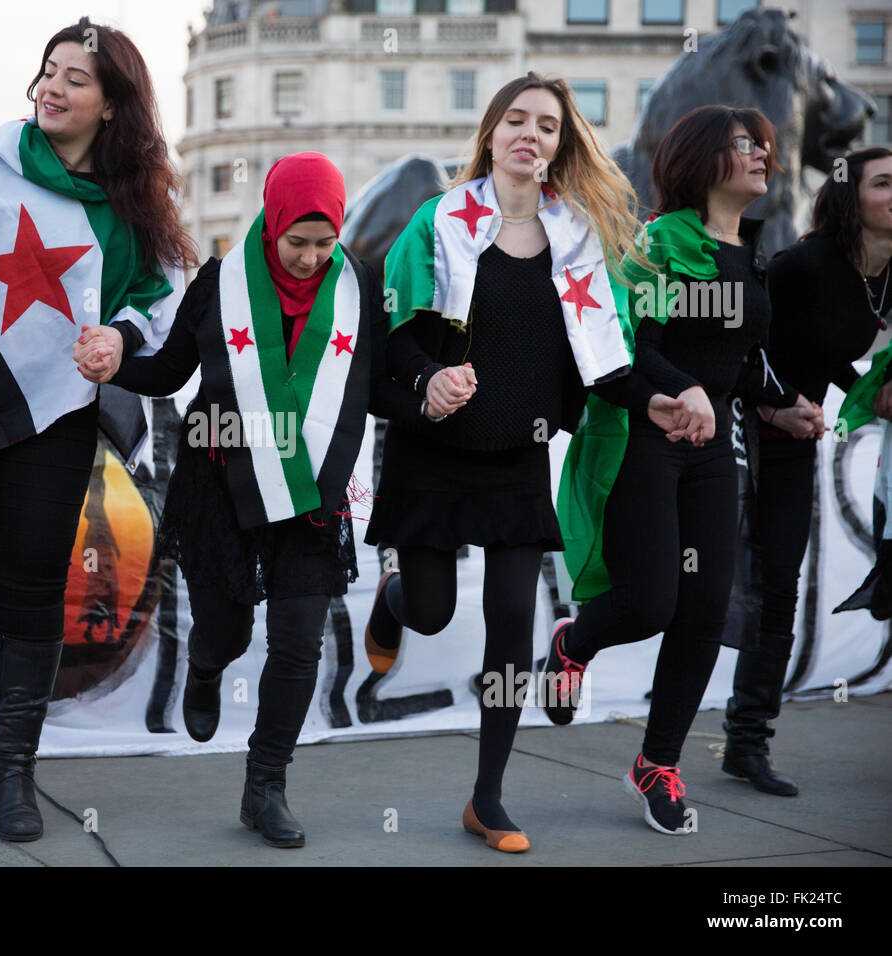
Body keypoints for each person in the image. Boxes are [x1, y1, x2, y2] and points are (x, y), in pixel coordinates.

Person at [0, 18, 193, 843]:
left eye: (75, 78)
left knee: (31, 582)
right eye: (48, 70)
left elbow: (157, 294)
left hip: (55, 411)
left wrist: (118, 337)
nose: (52, 87)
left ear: (113, 104)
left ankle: (13, 772)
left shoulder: (136, 198)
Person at [75, 152, 424, 848]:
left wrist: (427, 391)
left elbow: (376, 387)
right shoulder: (220, 285)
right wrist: (114, 366)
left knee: (298, 645)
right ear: (272, 223)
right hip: (223, 485)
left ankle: (266, 786)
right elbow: (169, 371)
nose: (312, 258)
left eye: (325, 243)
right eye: (298, 242)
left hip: (311, 491)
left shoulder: (357, 289)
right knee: (227, 631)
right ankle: (206, 669)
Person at [361, 72, 670, 853]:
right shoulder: (437, 222)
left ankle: (487, 797)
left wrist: (662, 401)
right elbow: (393, 340)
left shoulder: (578, 240)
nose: (531, 134)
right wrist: (429, 380)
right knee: (431, 610)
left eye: (548, 126)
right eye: (517, 120)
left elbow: (608, 360)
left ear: (560, 146)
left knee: (512, 625)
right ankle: (393, 601)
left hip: (518, 458)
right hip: (433, 452)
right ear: (492, 134)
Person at [545, 105, 802, 835]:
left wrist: (784, 404)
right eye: (744, 145)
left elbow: (740, 361)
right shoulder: (660, 243)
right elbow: (633, 346)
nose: (761, 155)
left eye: (764, 146)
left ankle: (657, 764)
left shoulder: (751, 252)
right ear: (700, 159)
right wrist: (681, 390)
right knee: (651, 602)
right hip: (645, 437)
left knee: (706, 608)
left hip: (711, 448)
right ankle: (573, 643)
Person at [722, 146, 892, 795]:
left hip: (794, 439)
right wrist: (774, 402)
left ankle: (747, 742)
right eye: (884, 183)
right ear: (851, 198)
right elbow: (740, 346)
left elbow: (828, 351)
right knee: (704, 581)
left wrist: (869, 388)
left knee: (779, 583)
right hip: (734, 427)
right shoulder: (802, 265)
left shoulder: (887, 271)